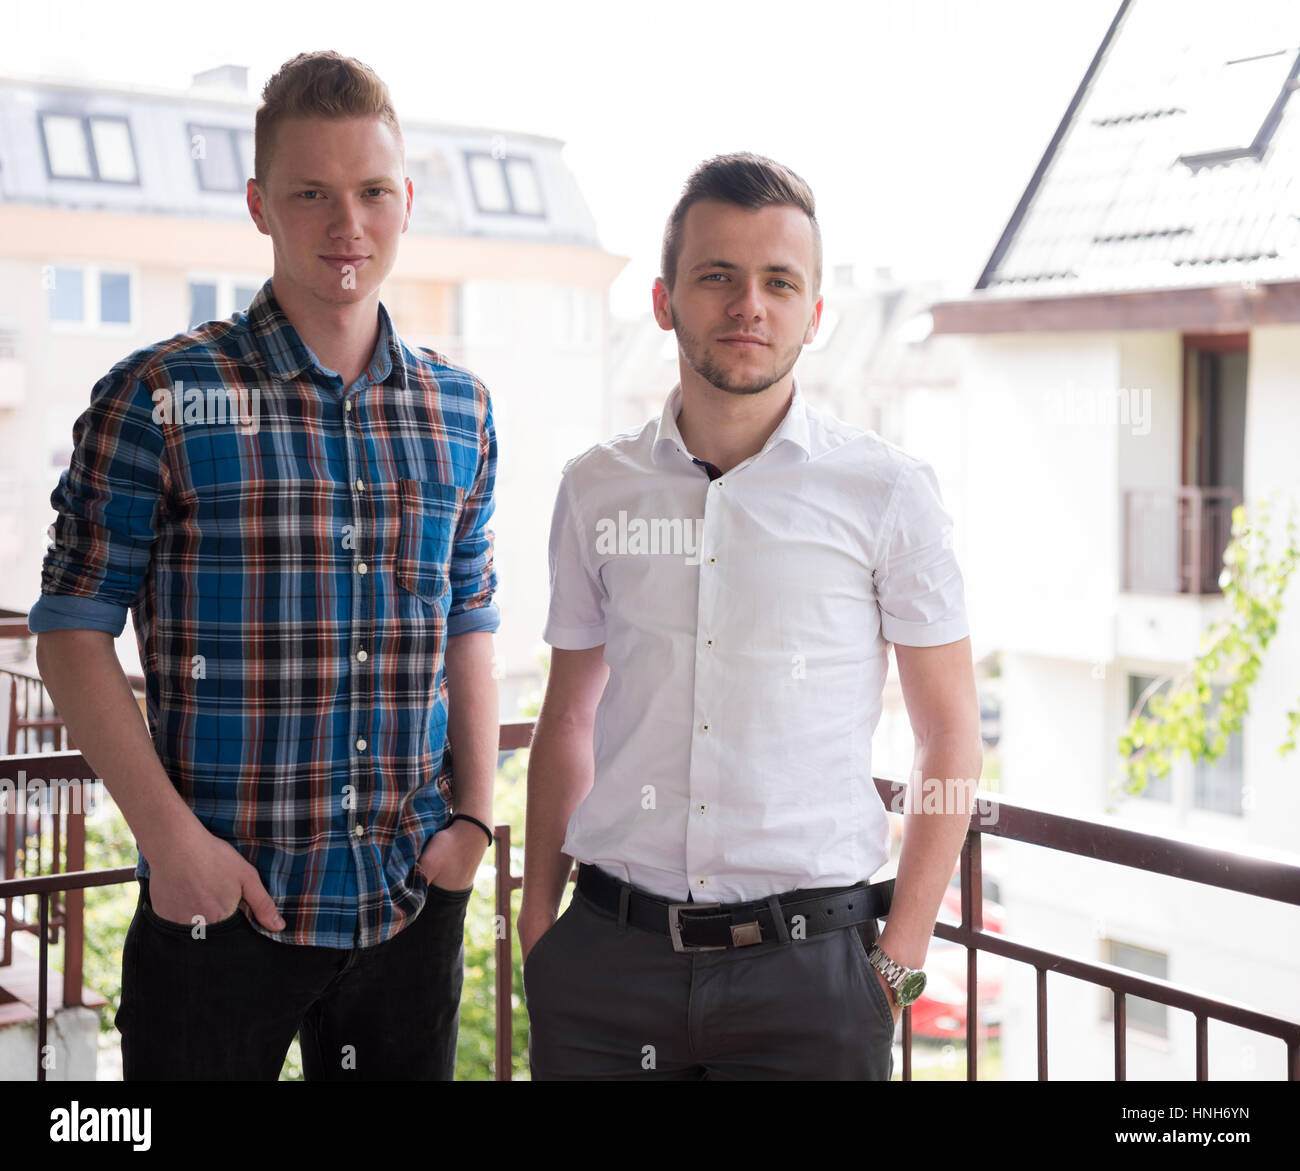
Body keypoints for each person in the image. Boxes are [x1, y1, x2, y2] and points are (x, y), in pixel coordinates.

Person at [30, 50, 500, 1081]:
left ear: (406, 200)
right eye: (311, 194)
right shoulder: (158, 393)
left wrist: (473, 822)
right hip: (219, 909)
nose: (348, 226)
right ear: (258, 205)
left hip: (406, 901)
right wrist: (172, 845)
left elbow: (470, 615)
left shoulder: (459, 410)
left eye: (373, 192)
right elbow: (68, 627)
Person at [519, 152, 982, 1080]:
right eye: (717, 277)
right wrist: (539, 924)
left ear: (814, 312)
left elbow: (948, 736)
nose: (749, 306)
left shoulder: (889, 493)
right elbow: (568, 714)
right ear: (665, 301)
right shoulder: (596, 489)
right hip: (609, 968)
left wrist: (899, 952)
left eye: (779, 282)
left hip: (811, 979)